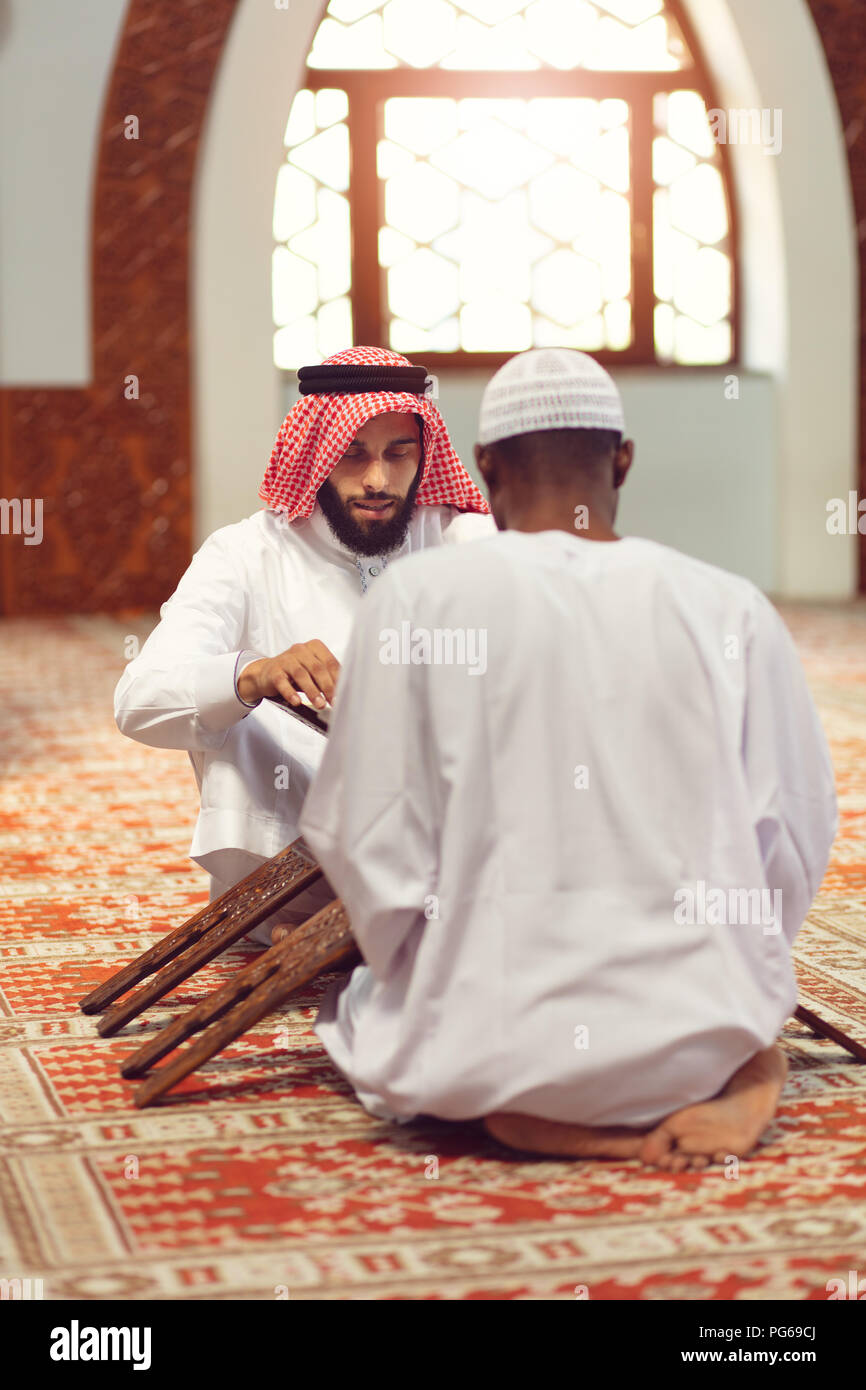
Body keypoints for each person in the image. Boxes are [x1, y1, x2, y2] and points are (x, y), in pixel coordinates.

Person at [298, 347, 838, 1169]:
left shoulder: (417, 600)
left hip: (496, 1043)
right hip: (696, 1028)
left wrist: (425, 964)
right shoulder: (727, 605)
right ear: (622, 460)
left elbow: (362, 834)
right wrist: (736, 964)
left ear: (483, 466)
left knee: (360, 1004)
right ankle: (738, 1070)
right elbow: (795, 832)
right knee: (741, 1006)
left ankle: (535, 1112)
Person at [113, 346, 492, 944]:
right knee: (236, 703)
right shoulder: (245, 555)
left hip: (447, 855)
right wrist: (252, 675)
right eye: (352, 455)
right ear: (315, 454)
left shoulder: (459, 536)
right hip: (291, 887)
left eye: (400, 454)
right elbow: (137, 701)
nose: (378, 480)